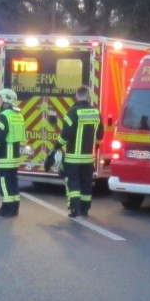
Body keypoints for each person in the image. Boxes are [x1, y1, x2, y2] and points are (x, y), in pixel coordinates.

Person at [60, 85, 103, 218]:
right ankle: (85, 209)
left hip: (73, 157)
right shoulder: (95, 113)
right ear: (88, 97)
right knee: (86, 183)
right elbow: (100, 134)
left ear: (77, 96)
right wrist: (95, 148)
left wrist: (56, 148)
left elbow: (66, 135)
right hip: (88, 157)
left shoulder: (72, 112)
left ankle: (74, 209)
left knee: (73, 183)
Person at [0, 88, 24, 217]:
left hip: (4, 156)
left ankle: (7, 209)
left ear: (5, 100)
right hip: (14, 156)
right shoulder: (17, 115)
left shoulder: (4, 116)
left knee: (3, 182)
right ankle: (14, 208)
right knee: (12, 182)